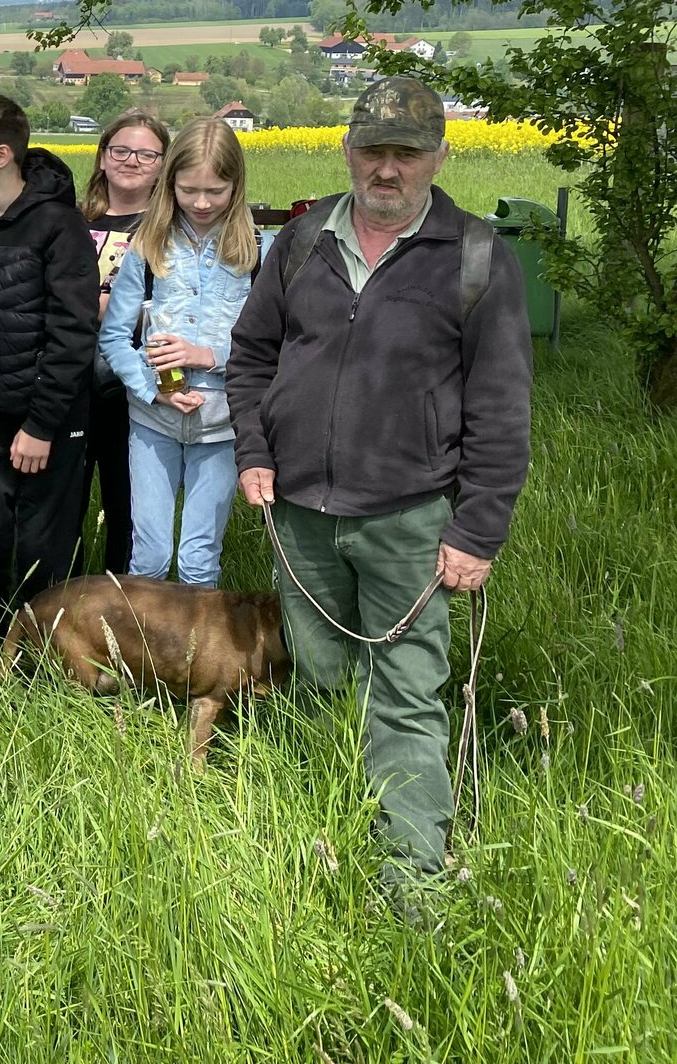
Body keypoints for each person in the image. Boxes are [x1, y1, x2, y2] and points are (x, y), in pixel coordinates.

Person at [229, 77, 532, 891]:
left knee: (406, 695)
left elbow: (502, 409)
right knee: (318, 679)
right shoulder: (299, 244)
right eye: (373, 149)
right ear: (348, 150)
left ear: (438, 155)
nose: (387, 168)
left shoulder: (476, 257)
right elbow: (253, 356)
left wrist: (477, 531)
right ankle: (323, 835)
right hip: (299, 514)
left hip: (410, 520)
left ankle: (412, 877)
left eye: (406, 152)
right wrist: (254, 450)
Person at [0, 92, 99, 650]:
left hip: (47, 417)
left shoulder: (58, 227)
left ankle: (51, 659)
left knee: (44, 548)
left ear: (2, 154)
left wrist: (40, 424)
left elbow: (74, 333)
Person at [99, 119, 257, 588]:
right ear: (170, 185)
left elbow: (272, 346)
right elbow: (113, 339)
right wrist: (152, 391)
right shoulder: (147, 249)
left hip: (223, 429)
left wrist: (207, 354)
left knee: (198, 559)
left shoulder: (258, 255)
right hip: (153, 424)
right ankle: (137, 659)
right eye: (189, 190)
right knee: (148, 555)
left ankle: (192, 661)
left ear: (237, 185)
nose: (202, 203)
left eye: (216, 190)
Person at [80, 111, 171, 574]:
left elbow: (171, 305)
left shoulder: (168, 228)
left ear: (163, 163)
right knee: (65, 506)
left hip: (136, 382)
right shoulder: (76, 221)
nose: (131, 160)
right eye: (120, 150)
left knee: (128, 506)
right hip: (72, 380)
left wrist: (96, 306)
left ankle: (124, 611)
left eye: (146, 153)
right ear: (102, 157)